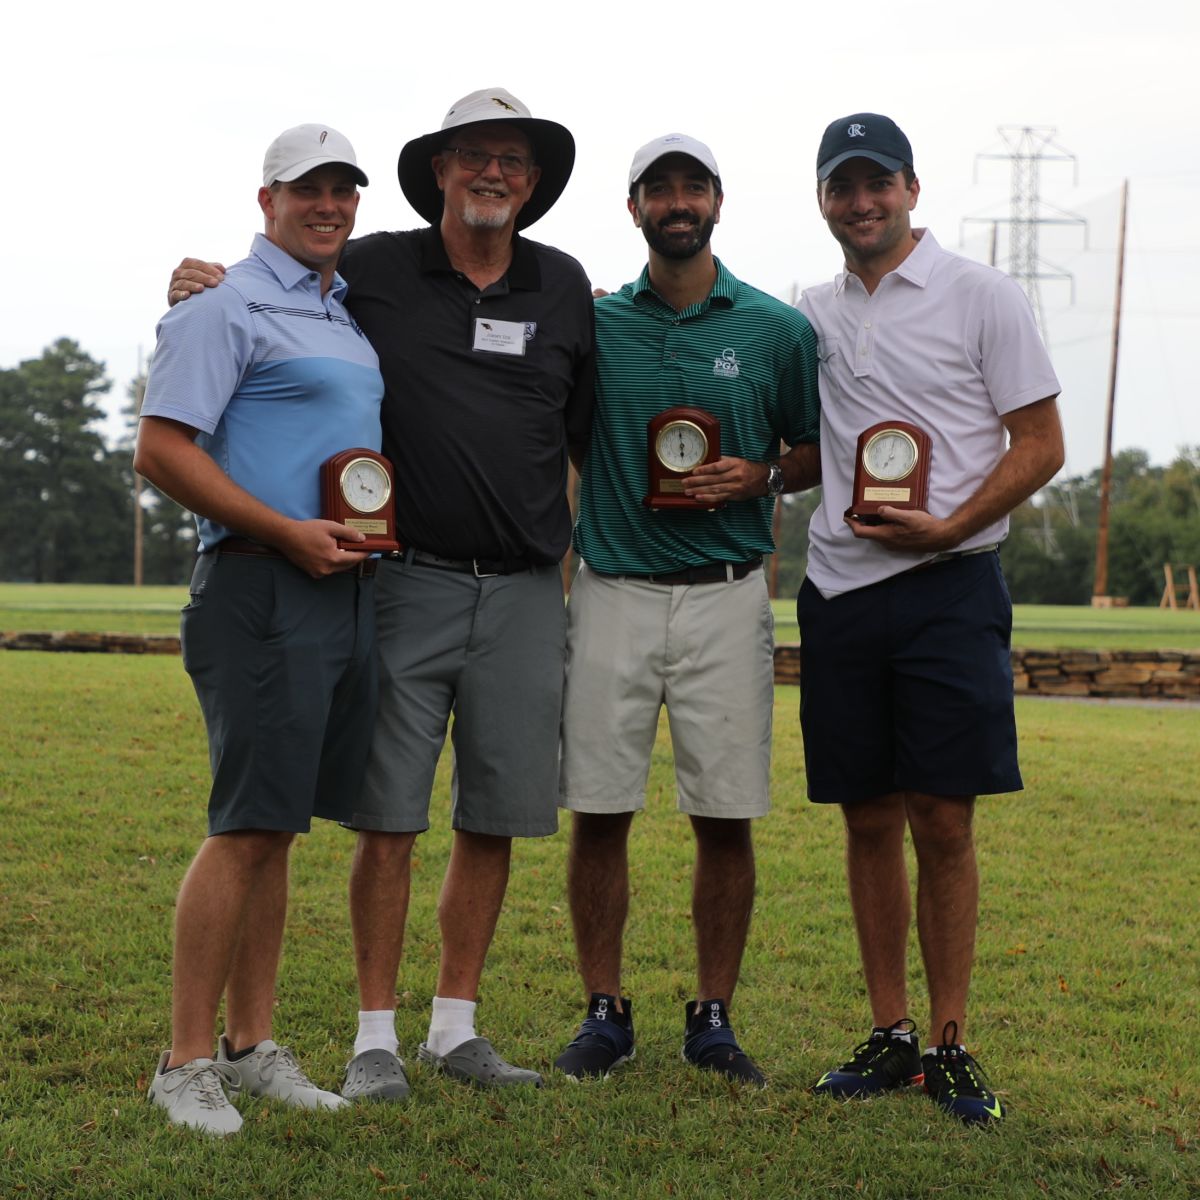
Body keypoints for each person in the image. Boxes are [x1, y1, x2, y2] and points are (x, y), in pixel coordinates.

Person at [169, 89, 594, 1096]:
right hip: (400, 579)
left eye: (513, 161)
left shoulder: (566, 285)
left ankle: (456, 1030)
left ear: (533, 184)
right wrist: (201, 283)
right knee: (388, 816)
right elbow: (271, 290)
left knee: (494, 813)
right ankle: (372, 1040)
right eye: (473, 157)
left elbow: (577, 433)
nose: (494, 173)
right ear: (438, 172)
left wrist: (564, 558)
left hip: (526, 589)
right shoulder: (374, 268)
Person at [797, 113, 1064, 1124]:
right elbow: (815, 448)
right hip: (839, 592)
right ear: (823, 199)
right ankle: (891, 1032)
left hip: (950, 588)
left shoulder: (982, 294)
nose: (861, 202)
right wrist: (749, 475)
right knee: (866, 817)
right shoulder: (811, 310)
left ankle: (951, 1039)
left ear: (911, 188)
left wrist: (951, 524)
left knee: (941, 818)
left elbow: (1040, 441)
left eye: (878, 183)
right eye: (841, 187)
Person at [554, 134, 820, 1085]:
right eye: (657, 188)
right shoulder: (593, 324)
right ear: (633, 209)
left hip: (726, 592)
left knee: (726, 814)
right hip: (615, 589)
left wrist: (764, 474)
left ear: (718, 201)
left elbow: (818, 452)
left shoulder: (776, 329)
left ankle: (713, 1014)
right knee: (599, 809)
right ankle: (604, 1009)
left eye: (691, 187)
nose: (676, 202)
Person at [137, 124, 383, 1134]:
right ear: (266, 198)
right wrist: (285, 531)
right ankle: (183, 1060)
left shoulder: (344, 313)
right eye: (307, 189)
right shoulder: (221, 306)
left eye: (343, 190)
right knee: (243, 827)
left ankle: (250, 1046)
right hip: (257, 585)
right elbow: (160, 449)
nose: (328, 205)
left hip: (338, 589)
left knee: (277, 829)